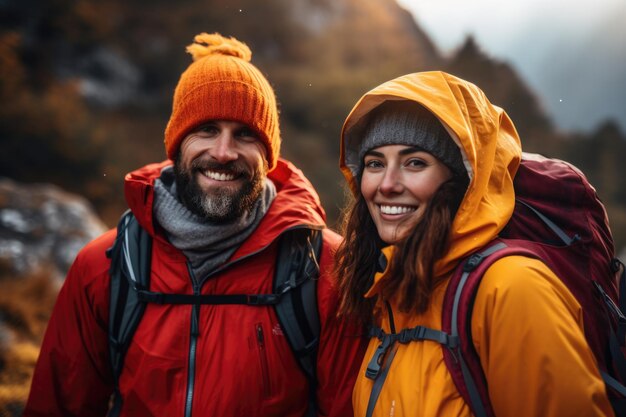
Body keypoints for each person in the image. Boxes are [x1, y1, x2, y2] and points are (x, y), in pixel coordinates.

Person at [23, 33, 366, 417]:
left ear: (268, 155)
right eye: (206, 130)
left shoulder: (328, 269)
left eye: (245, 134)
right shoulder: (104, 267)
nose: (223, 152)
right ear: (176, 143)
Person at [334, 71, 614, 417]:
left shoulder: (511, 287)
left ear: (461, 180)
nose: (387, 184)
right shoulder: (388, 290)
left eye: (415, 163)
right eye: (375, 163)